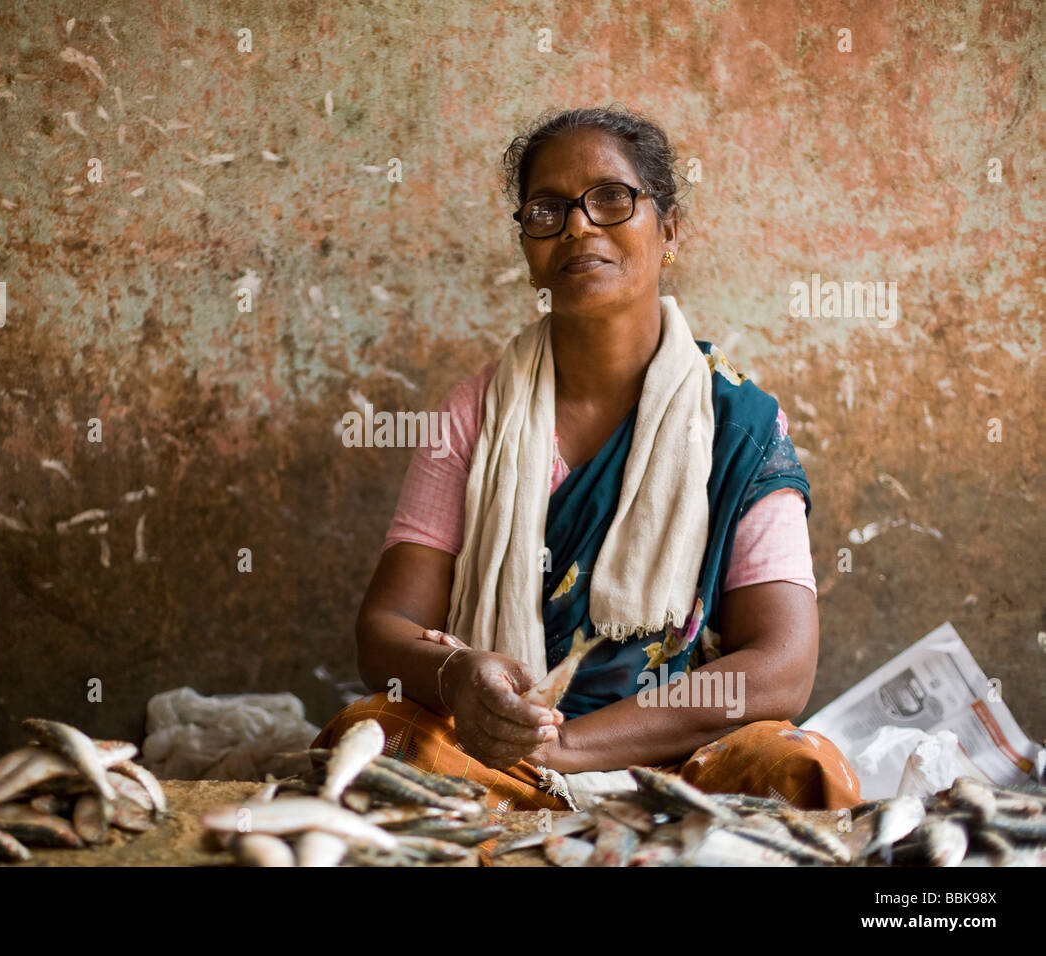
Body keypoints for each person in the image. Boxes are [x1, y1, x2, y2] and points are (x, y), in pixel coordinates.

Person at [313, 106, 861, 815]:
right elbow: (385, 627)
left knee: (799, 769)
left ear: (669, 230)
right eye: (547, 209)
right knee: (368, 739)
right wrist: (458, 675)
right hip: (494, 748)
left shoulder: (740, 425)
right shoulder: (478, 412)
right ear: (528, 246)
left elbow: (782, 667)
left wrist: (569, 746)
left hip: (681, 759)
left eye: (611, 198)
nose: (577, 226)